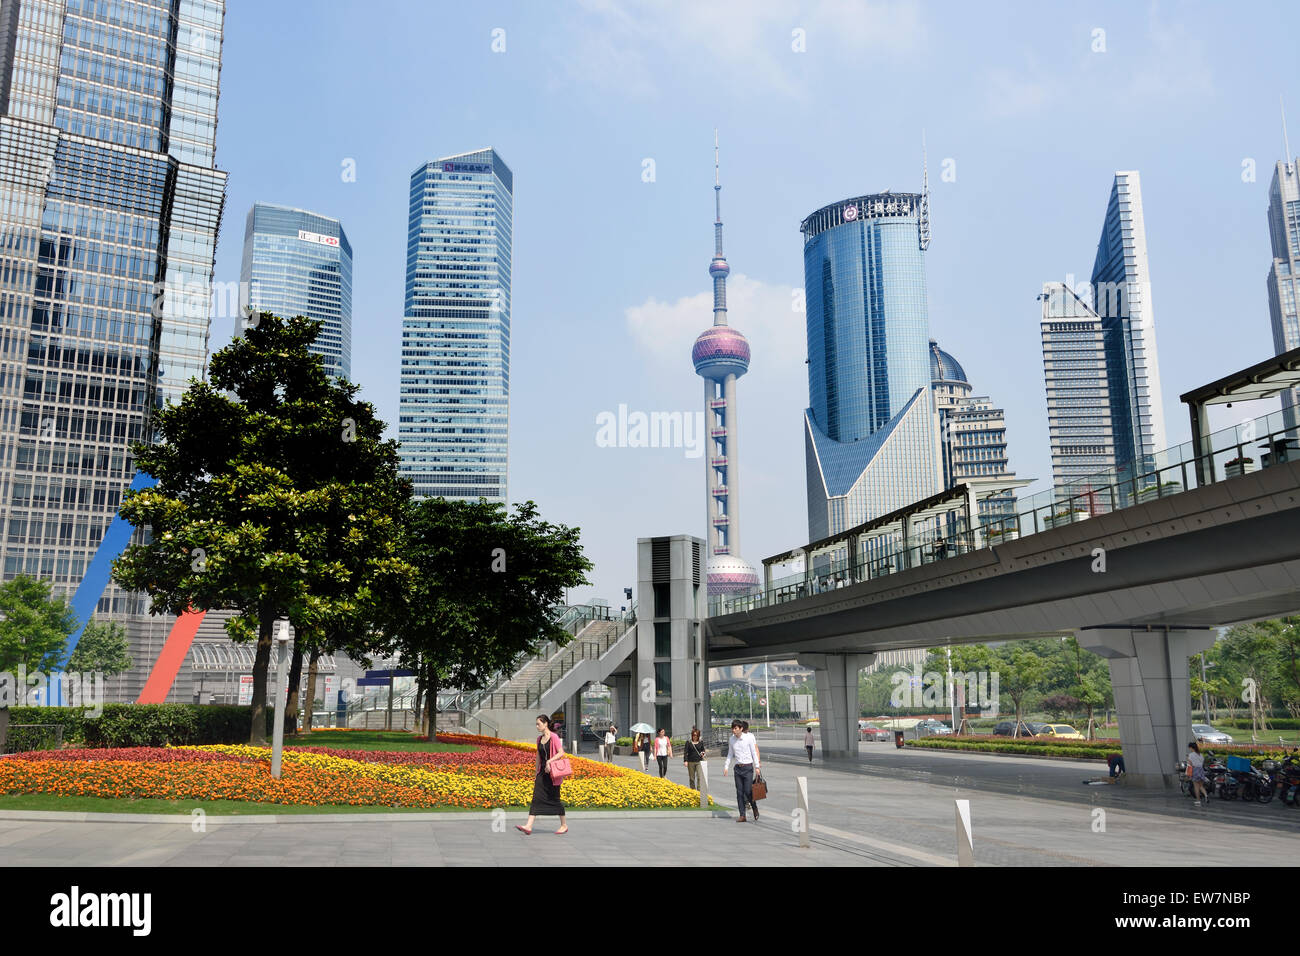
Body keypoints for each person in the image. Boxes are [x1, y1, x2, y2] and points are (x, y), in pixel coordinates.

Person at [517, 714, 568, 835]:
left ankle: (564, 825)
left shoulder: (554, 737)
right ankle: (529, 826)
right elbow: (538, 757)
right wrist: (536, 773)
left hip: (553, 774)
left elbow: (561, 752)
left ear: (545, 724)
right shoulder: (539, 739)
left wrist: (550, 761)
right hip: (542, 773)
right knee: (536, 797)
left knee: (555, 799)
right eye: (536, 724)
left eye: (538, 724)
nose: (537, 726)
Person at [722, 718, 761, 823]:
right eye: (732, 728)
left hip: (748, 768)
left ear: (741, 728)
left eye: (735, 728)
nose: (733, 730)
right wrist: (726, 767)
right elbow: (730, 754)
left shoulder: (748, 738)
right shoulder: (731, 740)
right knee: (739, 792)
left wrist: (757, 767)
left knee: (748, 791)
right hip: (738, 769)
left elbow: (754, 753)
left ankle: (754, 807)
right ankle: (742, 815)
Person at [1187, 741, 1207, 806]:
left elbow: (1190, 764)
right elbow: (1202, 763)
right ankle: (1206, 795)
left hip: (1195, 770)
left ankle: (1198, 801)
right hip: (1201, 770)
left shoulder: (1191, 755)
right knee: (1201, 786)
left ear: (1191, 748)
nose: (1189, 749)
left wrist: (1189, 774)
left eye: (1189, 748)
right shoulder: (1201, 755)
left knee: (1196, 787)